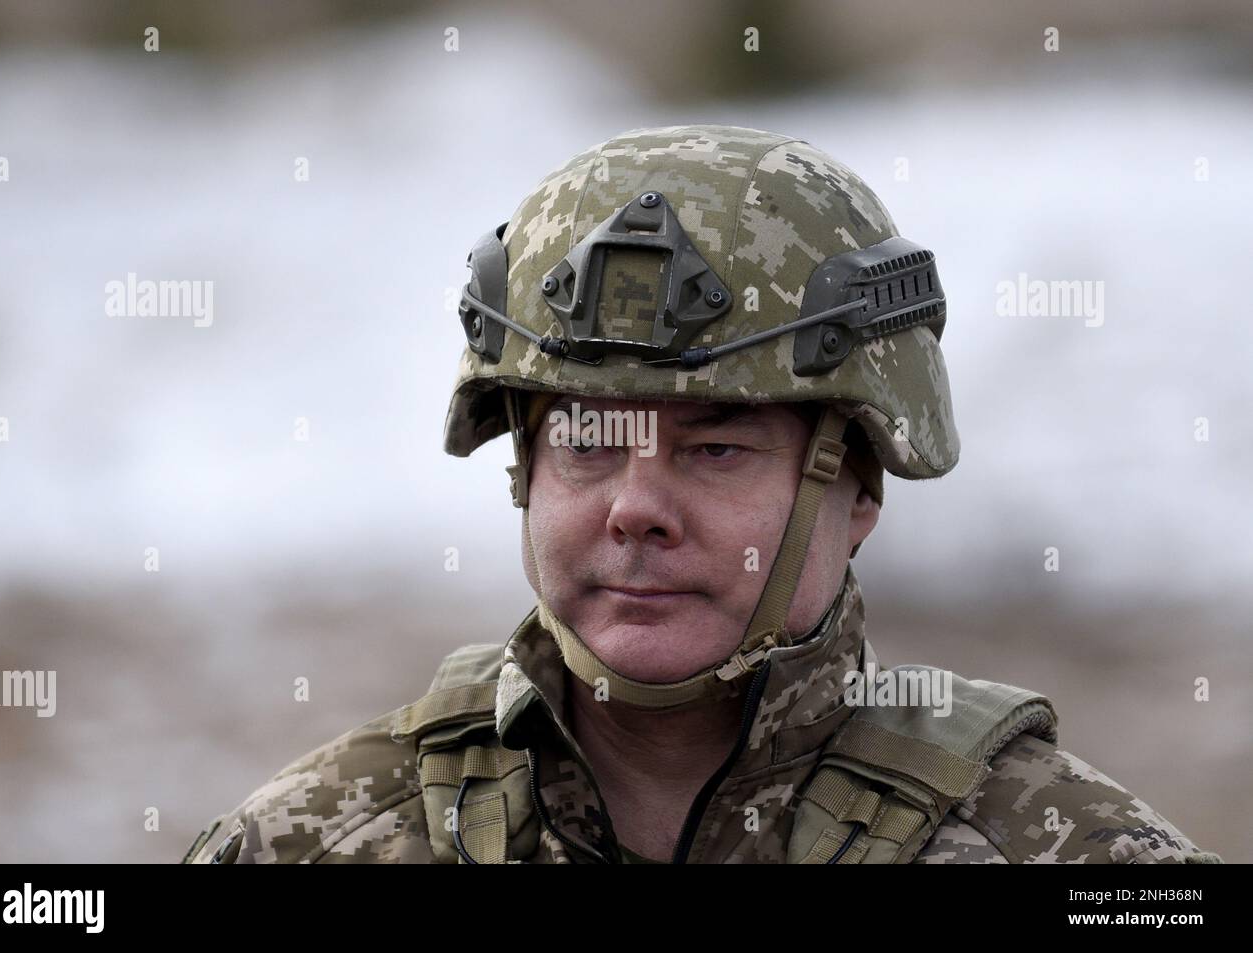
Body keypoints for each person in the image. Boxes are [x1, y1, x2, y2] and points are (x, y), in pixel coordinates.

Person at [183, 124, 1221, 864]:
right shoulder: (312, 838)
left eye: (717, 448)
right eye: (588, 440)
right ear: (524, 474)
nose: (637, 508)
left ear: (857, 487)